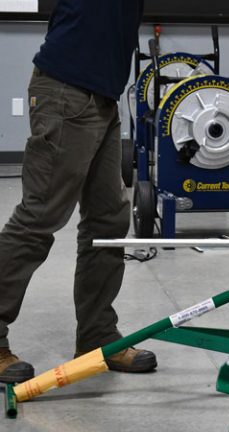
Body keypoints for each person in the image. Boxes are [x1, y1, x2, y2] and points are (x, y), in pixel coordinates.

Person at [0, 0, 157, 383]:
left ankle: (97, 335)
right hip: (66, 92)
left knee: (108, 218)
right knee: (40, 216)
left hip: (100, 96)